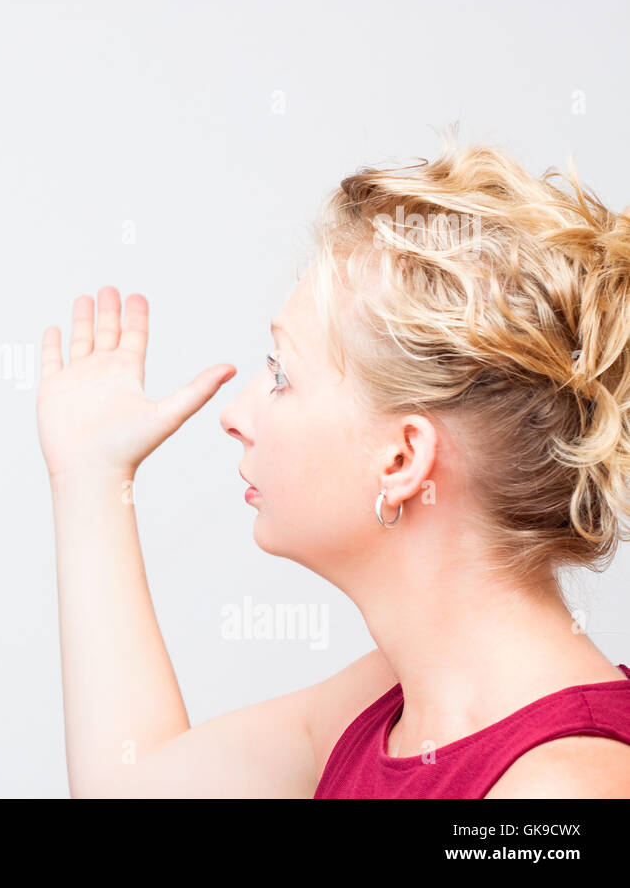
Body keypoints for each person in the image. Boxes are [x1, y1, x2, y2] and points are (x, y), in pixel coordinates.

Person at [36, 137, 630, 797]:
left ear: (402, 459)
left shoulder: (565, 787)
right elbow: (133, 784)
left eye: (281, 374)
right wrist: (90, 475)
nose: (235, 414)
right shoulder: (390, 702)